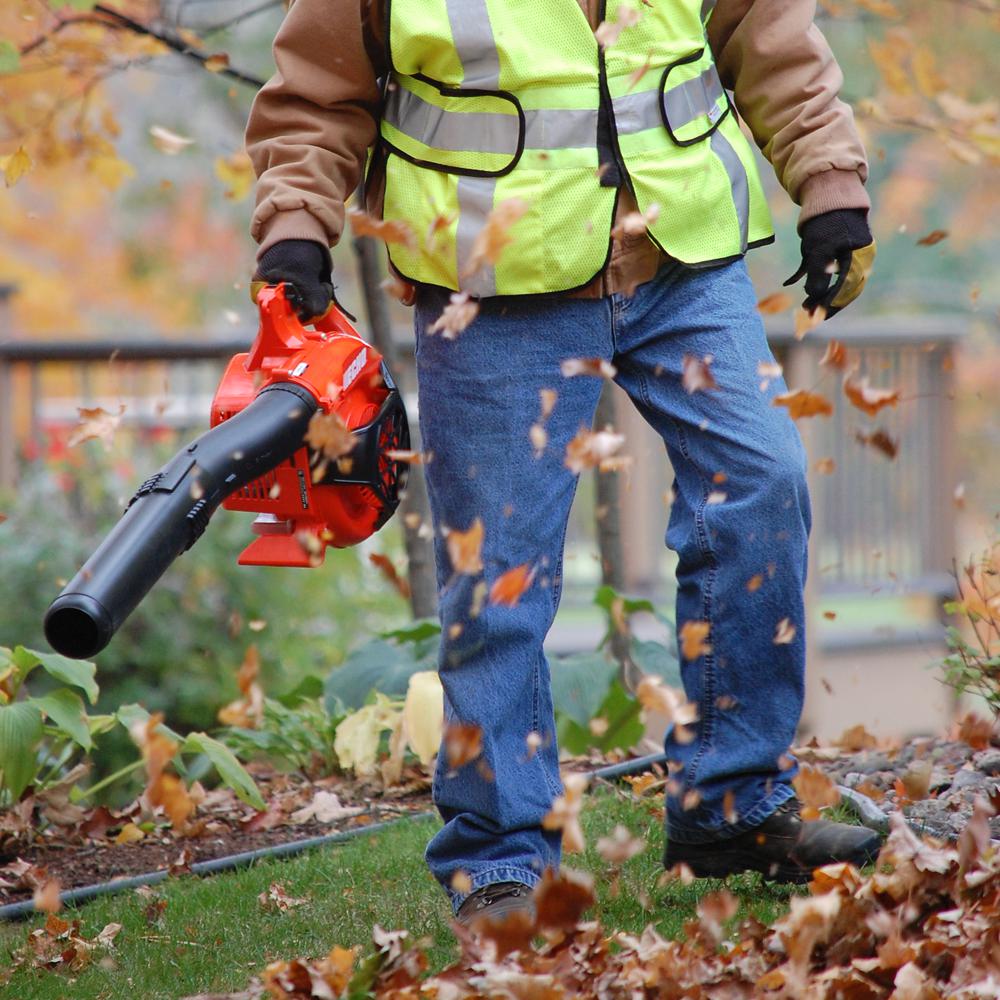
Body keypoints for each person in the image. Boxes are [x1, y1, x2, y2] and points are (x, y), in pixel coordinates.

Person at [246, 0, 882, 926]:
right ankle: (501, 856)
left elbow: (769, 35)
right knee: (497, 567)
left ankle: (735, 805)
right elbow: (317, 89)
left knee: (763, 483)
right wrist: (296, 227)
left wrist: (829, 186)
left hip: (682, 255)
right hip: (495, 280)